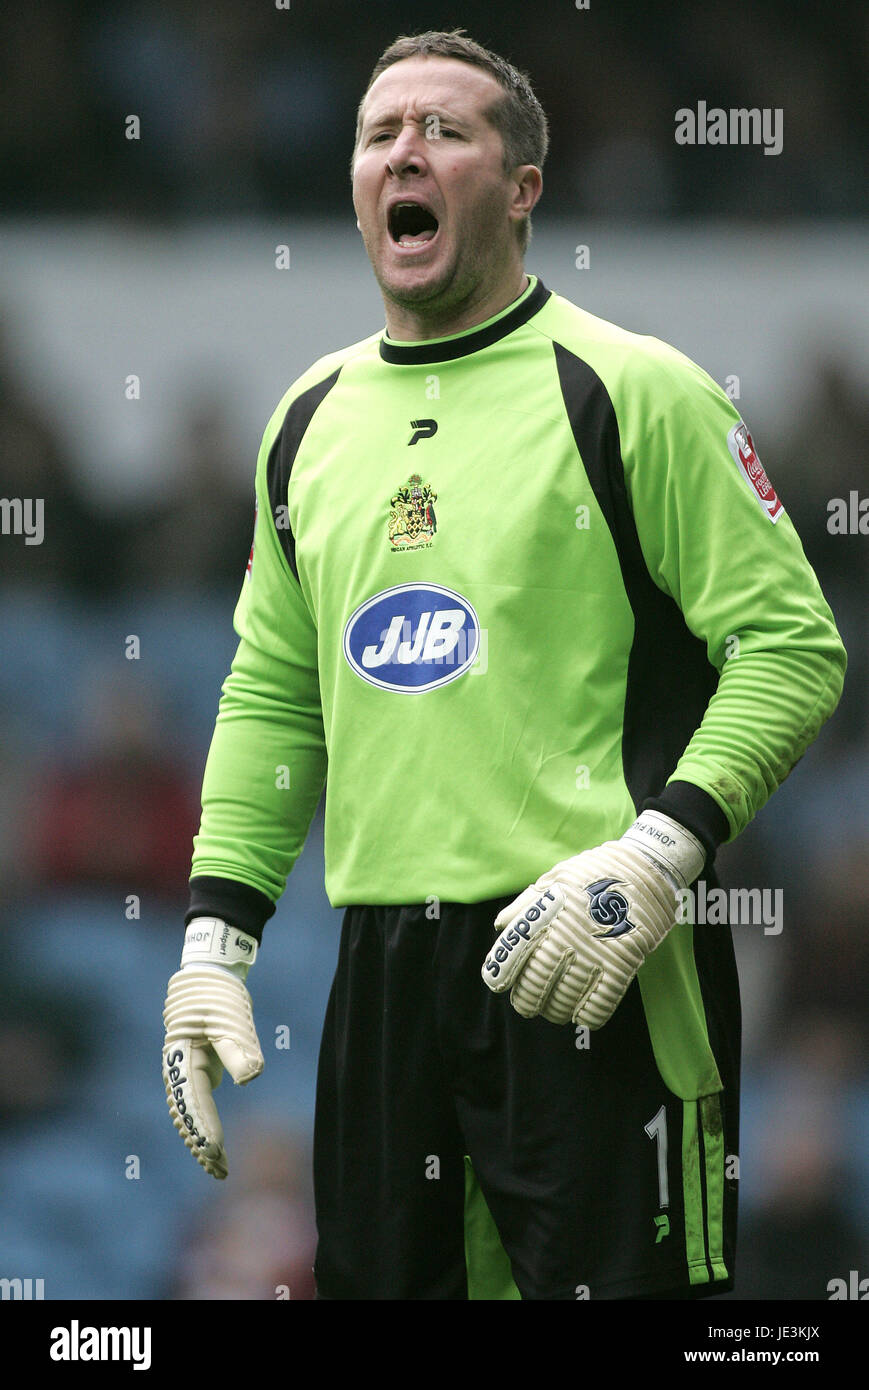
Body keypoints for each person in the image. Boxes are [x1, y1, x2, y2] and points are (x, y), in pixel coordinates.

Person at [161, 30, 846, 1300]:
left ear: (522, 187)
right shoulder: (306, 421)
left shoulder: (635, 391)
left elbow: (792, 647)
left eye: (442, 130)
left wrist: (658, 853)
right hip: (384, 979)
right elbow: (272, 690)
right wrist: (215, 934)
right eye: (378, 135)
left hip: (598, 947)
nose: (402, 153)